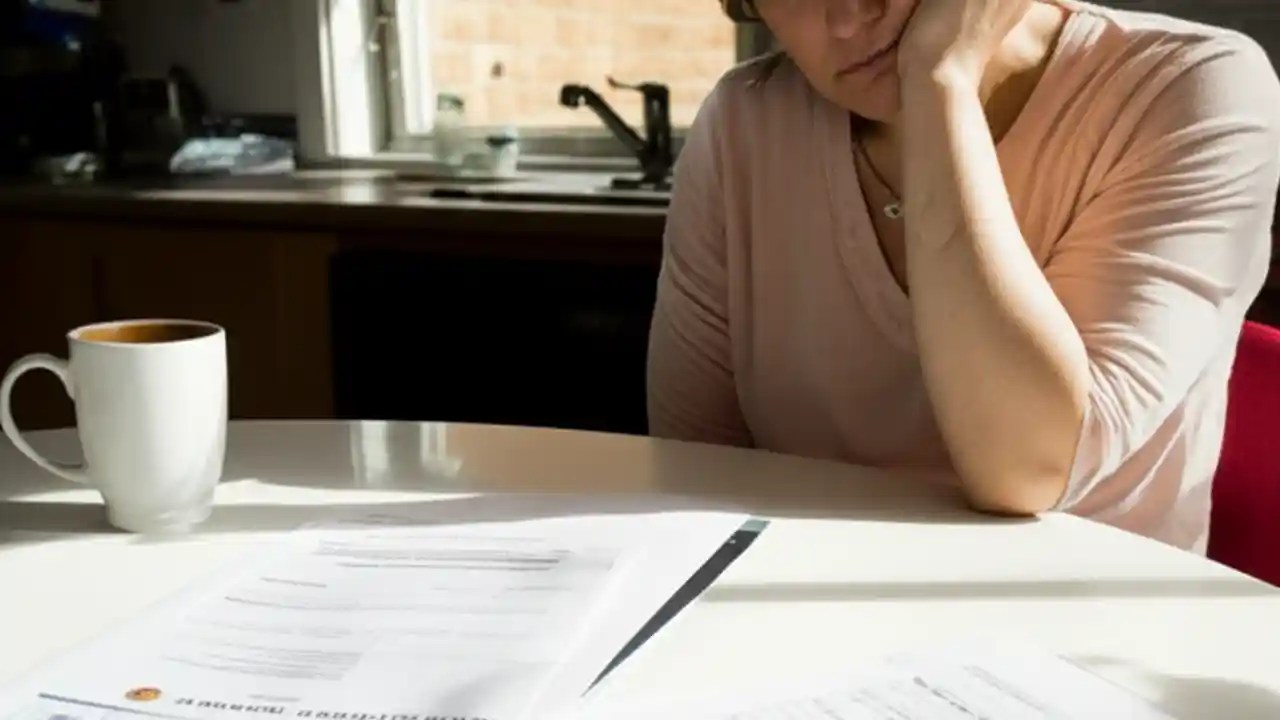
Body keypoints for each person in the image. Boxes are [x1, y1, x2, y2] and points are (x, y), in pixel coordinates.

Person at [647, 0, 1280, 552]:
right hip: (802, 626)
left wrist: (941, 80)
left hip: (1083, 642)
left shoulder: (1192, 86)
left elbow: (1029, 468)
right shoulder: (745, 122)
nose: (845, 18)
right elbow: (694, 470)